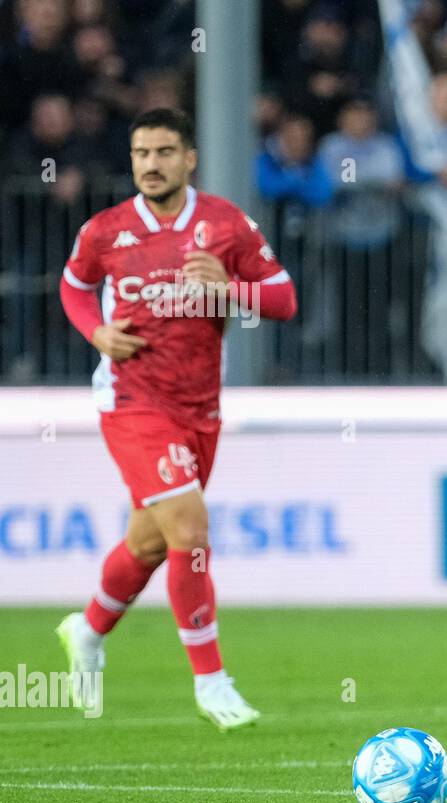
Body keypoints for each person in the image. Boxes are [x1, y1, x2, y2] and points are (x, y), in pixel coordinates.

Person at [56, 108, 298, 729]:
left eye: (163, 152)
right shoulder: (106, 230)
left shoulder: (224, 224)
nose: (151, 164)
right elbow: (74, 287)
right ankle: (212, 682)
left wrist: (230, 290)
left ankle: (86, 630)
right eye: (140, 153)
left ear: (188, 158)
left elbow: (283, 298)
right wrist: (97, 332)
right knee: (189, 532)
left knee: (150, 541)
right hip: (132, 401)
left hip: (200, 409)